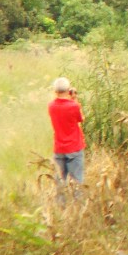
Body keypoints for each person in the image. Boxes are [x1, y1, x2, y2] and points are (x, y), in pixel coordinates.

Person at [48, 77, 85, 205]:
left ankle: (61, 209)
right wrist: (74, 99)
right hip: (74, 148)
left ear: (55, 91)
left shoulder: (51, 106)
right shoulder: (73, 106)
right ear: (68, 90)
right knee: (77, 182)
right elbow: (81, 118)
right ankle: (78, 208)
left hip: (59, 148)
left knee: (60, 183)